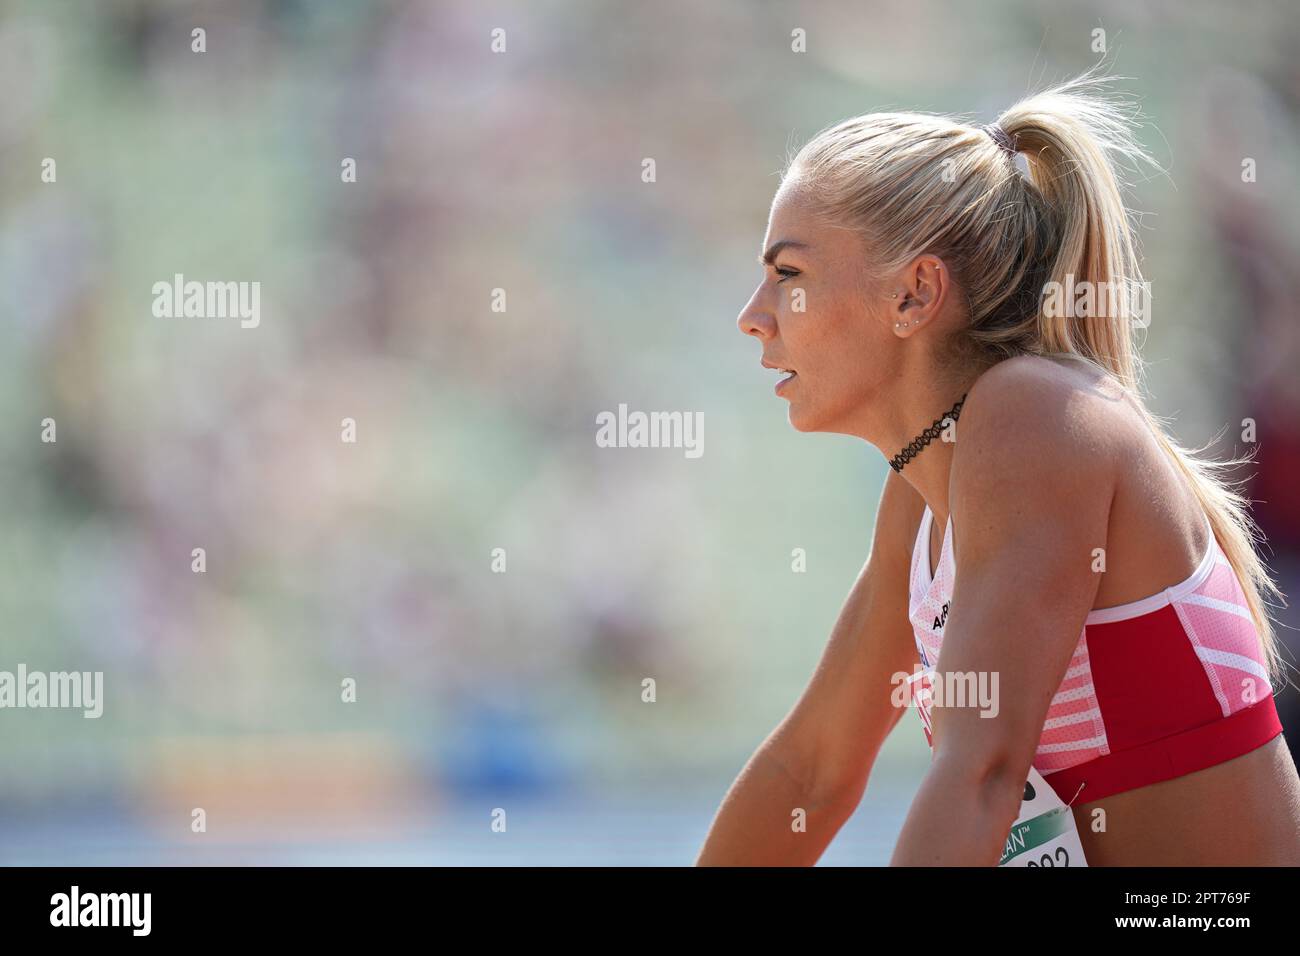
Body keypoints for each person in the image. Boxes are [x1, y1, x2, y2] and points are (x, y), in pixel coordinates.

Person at [698, 72, 1300, 866]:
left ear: (914, 294)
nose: (753, 314)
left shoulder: (1035, 417)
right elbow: (808, 773)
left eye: (790, 276)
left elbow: (982, 774)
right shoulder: (921, 494)